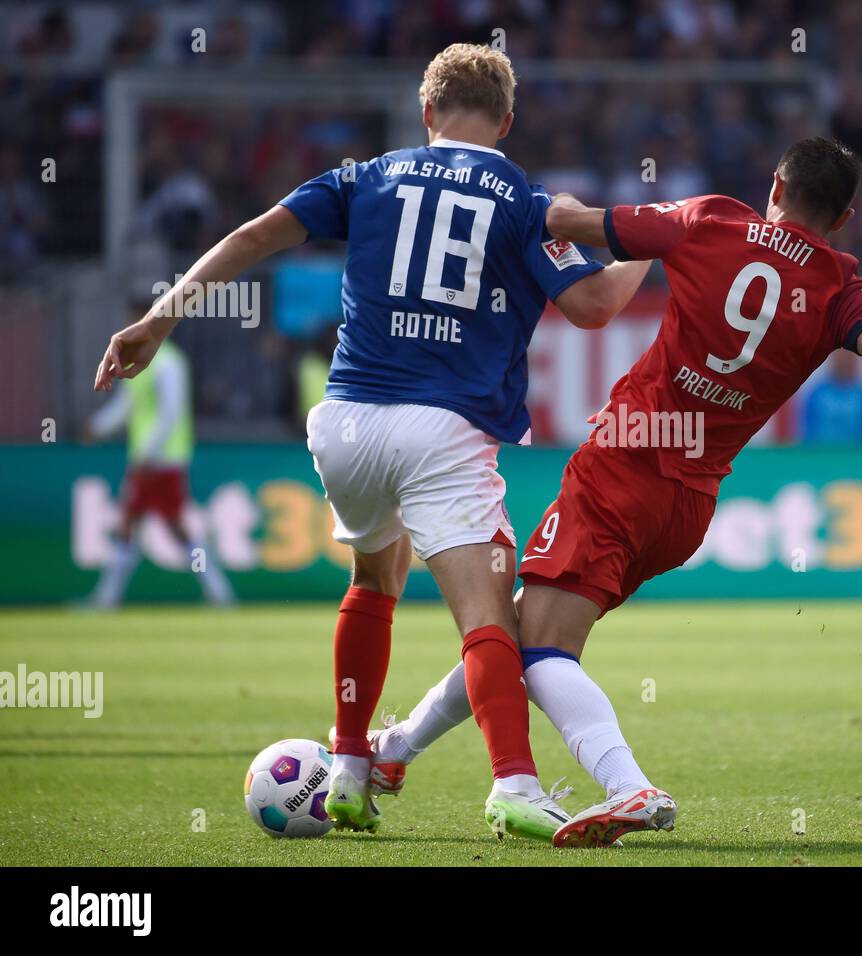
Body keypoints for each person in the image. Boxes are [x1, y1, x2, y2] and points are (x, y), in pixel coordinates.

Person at [355, 136, 862, 849]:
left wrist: (558, 208)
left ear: (775, 187)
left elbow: (563, 224)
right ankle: (397, 749)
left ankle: (627, 785)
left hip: (625, 461)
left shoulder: (709, 220)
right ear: (844, 218)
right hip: (690, 503)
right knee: (514, 627)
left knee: (541, 647)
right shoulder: (843, 289)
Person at [93, 43, 650, 841]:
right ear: (507, 121)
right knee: (488, 619)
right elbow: (593, 306)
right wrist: (639, 248)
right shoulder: (522, 200)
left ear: (427, 112)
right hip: (442, 428)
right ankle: (515, 786)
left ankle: (350, 770)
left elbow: (254, 235)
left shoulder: (365, 176)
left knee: (373, 580)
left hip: (346, 419)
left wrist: (162, 315)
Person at [83, 321, 234, 609]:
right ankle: (218, 592)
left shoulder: (169, 362)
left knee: (154, 525)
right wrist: (98, 427)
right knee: (142, 523)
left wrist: (148, 454)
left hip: (160, 461)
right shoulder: (141, 362)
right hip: (149, 460)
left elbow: (170, 413)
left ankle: (107, 599)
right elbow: (128, 405)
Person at [802, 347, 862, 443]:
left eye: (849, 357)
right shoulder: (817, 395)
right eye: (841, 356)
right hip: (822, 456)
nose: (845, 361)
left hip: (855, 456)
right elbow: (808, 436)